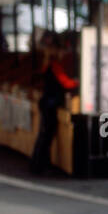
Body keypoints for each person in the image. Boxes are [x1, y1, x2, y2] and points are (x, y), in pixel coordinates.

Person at [30, 38, 79, 176]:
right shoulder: (55, 66)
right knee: (46, 135)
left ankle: (38, 164)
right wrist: (78, 82)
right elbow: (66, 83)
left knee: (43, 134)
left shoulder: (47, 65)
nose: (64, 52)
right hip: (50, 103)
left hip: (46, 102)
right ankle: (38, 166)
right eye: (62, 50)